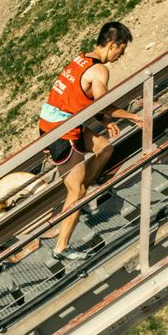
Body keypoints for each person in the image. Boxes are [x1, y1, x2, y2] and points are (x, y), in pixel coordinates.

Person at [38, 21, 141, 261]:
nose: (121, 55)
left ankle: (83, 187)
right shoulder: (100, 70)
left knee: (105, 148)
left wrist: (104, 121)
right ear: (113, 44)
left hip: (55, 122)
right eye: (122, 49)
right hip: (61, 132)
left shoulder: (81, 59)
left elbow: (81, 98)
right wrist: (132, 116)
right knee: (76, 191)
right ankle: (61, 248)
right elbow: (103, 103)